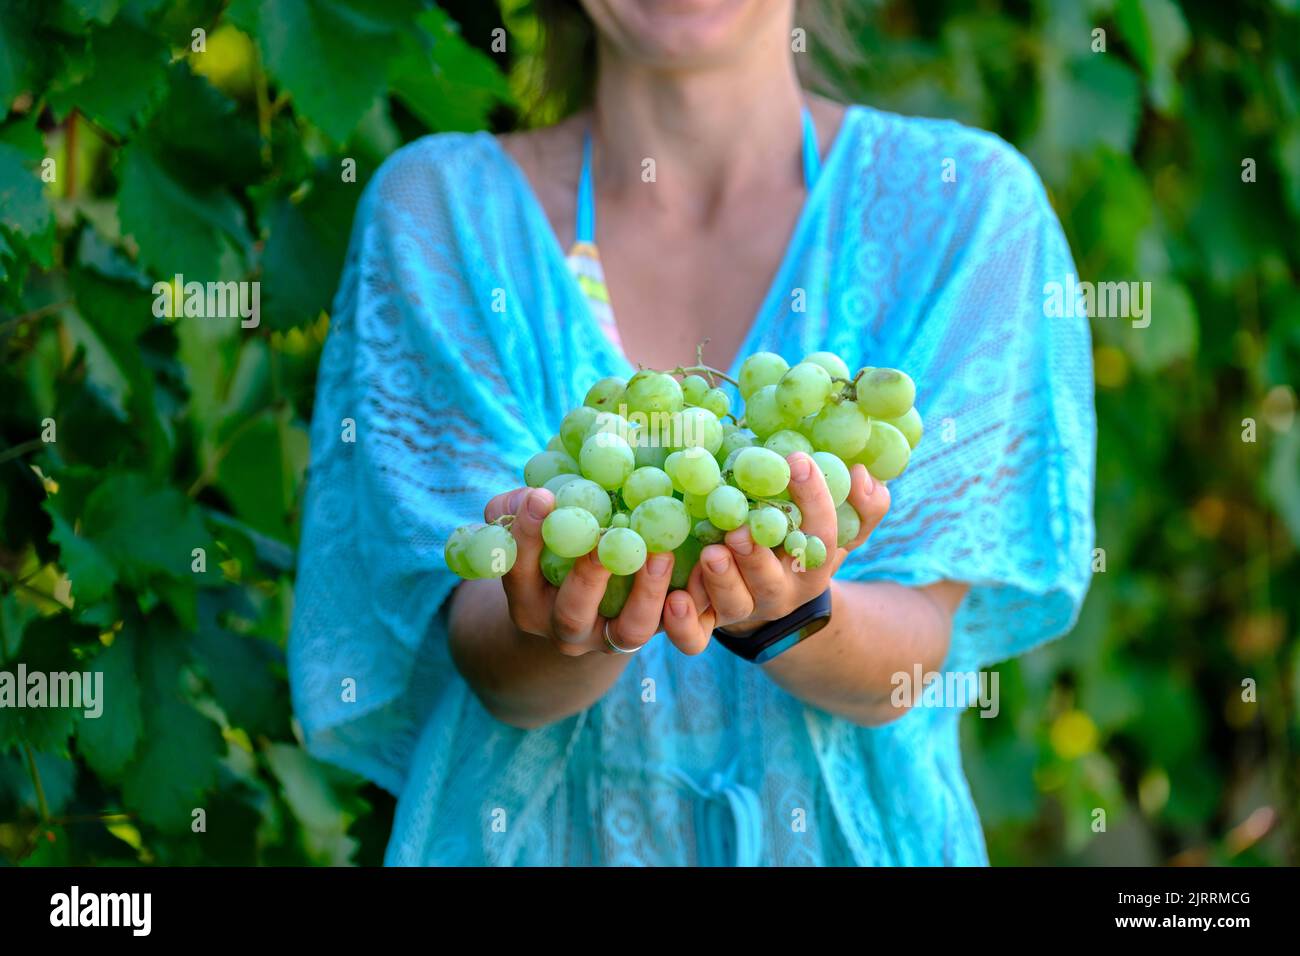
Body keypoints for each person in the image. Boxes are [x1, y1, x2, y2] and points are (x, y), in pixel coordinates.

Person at [288, 0, 1095, 866]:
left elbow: (913, 659)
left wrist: (793, 617)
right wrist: (578, 625)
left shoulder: (964, 207)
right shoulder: (439, 212)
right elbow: (493, 670)